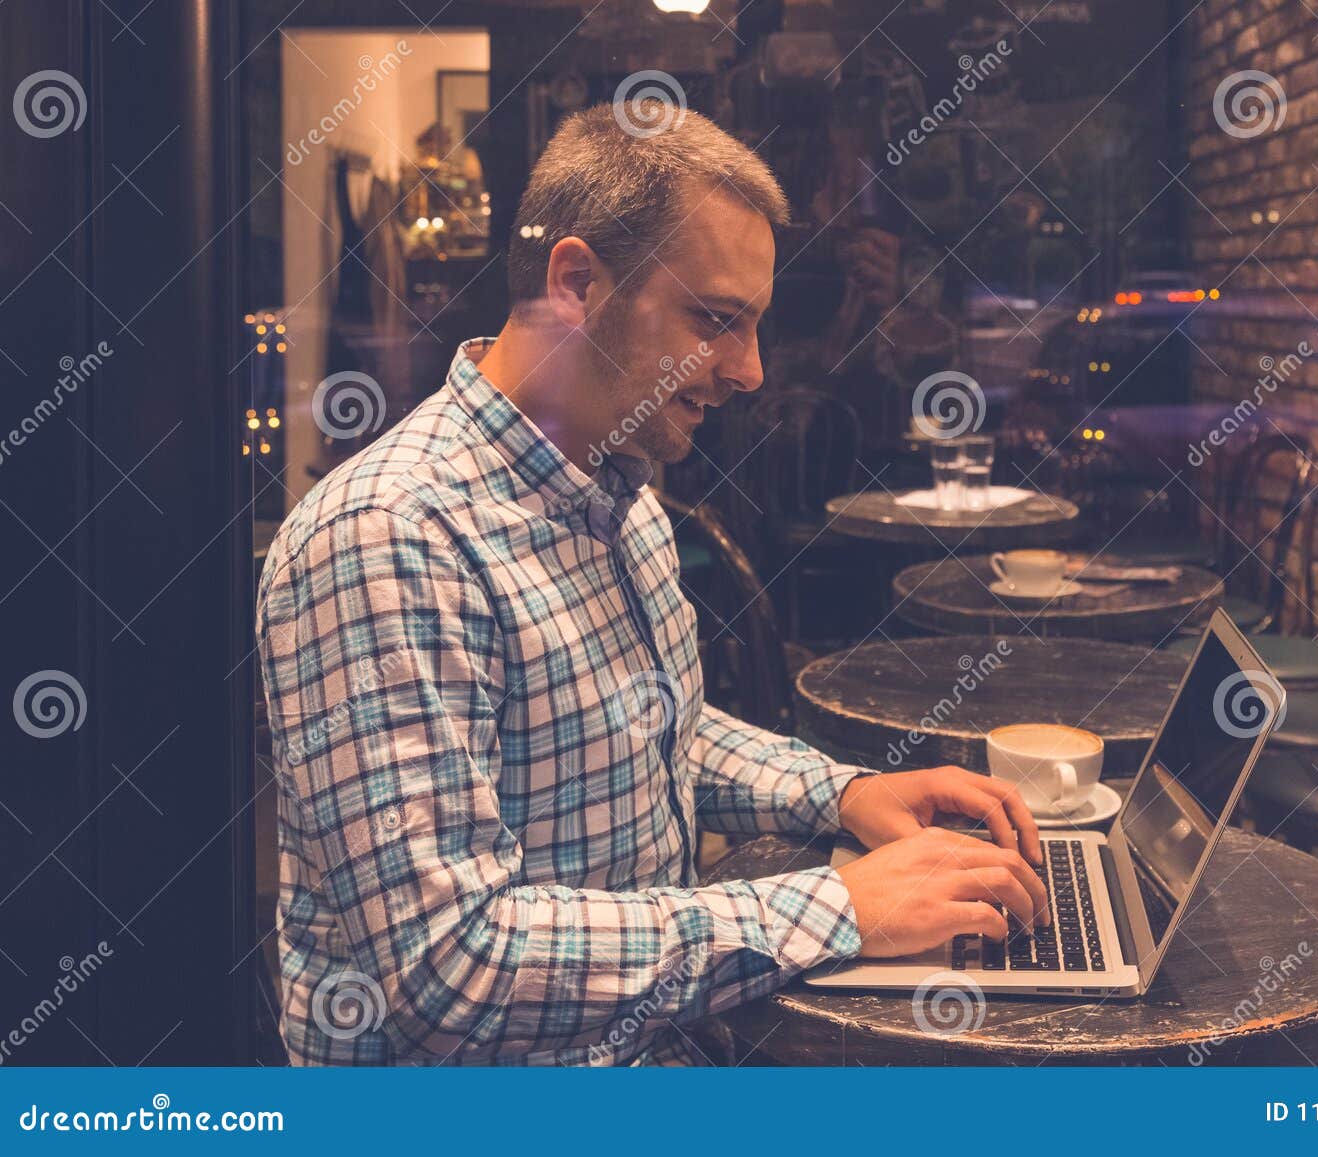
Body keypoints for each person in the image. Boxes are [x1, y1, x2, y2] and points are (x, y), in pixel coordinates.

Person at [256, 101, 1046, 1067]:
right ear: (578, 282)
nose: (750, 370)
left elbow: (654, 729)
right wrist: (837, 905)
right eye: (716, 320)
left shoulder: (616, 487)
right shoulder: (387, 536)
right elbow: (450, 965)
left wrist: (846, 793)